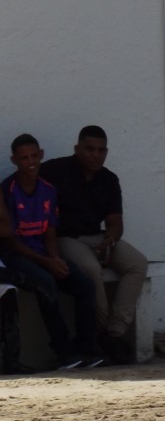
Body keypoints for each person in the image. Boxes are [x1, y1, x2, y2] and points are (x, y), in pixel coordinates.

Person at [41, 126, 147, 365]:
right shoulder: (55, 171)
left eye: (100, 150)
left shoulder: (109, 179)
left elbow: (115, 222)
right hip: (66, 238)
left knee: (138, 263)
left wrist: (109, 240)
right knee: (91, 270)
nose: (95, 155)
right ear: (77, 149)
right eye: (89, 149)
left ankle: (114, 332)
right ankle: (97, 334)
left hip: (98, 237)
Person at [1, 134, 104, 370]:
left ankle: (85, 351)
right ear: (14, 160)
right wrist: (47, 262)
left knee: (84, 284)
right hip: (18, 256)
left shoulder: (48, 189)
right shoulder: (7, 189)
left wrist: (55, 257)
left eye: (34, 156)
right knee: (46, 283)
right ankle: (64, 354)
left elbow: (50, 230)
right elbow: (10, 240)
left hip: (44, 256)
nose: (30, 162)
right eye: (24, 158)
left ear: (42, 155)